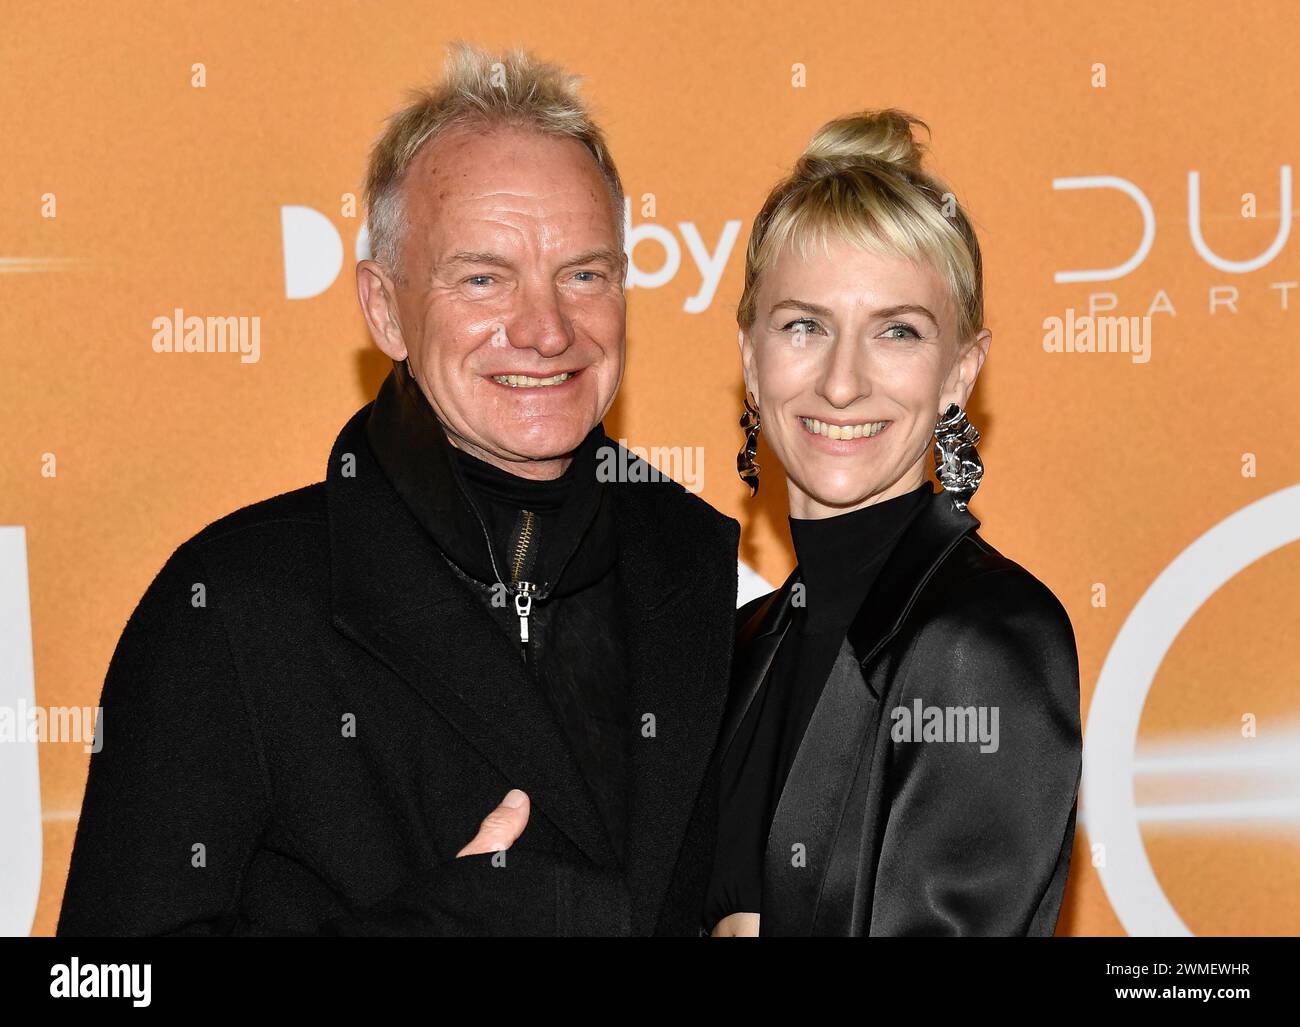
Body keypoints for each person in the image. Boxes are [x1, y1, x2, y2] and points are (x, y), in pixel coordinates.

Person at [57, 42, 739, 937]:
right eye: (483, 278)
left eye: (584, 273)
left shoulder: (705, 576)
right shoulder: (233, 603)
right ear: (385, 309)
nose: (545, 329)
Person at [706, 109, 1082, 937]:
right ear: (750, 357)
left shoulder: (987, 640)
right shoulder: (732, 649)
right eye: (804, 325)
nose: (842, 383)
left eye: (897, 332)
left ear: (960, 369)